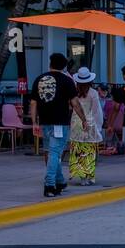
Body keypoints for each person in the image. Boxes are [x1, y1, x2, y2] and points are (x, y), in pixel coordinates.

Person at [27, 52, 86, 197]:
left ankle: (60, 181)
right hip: (60, 122)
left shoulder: (39, 79)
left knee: (49, 151)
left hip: (45, 121)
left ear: (50, 63)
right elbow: (75, 103)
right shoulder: (67, 81)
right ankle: (49, 184)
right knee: (55, 153)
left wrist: (34, 121)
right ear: (64, 66)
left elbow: (33, 103)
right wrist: (83, 119)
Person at [68, 67, 104, 185]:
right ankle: (90, 176)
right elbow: (96, 111)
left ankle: (81, 176)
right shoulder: (93, 93)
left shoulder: (74, 92)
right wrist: (98, 126)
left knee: (78, 150)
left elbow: (71, 107)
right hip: (89, 122)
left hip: (75, 123)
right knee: (89, 150)